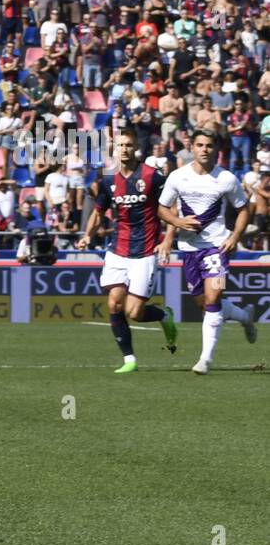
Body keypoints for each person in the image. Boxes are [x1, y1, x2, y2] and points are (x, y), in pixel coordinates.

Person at [76, 127, 178, 373]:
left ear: (136, 149)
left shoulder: (152, 176)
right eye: (120, 145)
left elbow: (171, 210)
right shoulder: (109, 181)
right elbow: (98, 214)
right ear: (114, 149)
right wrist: (86, 236)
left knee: (134, 312)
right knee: (114, 304)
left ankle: (164, 315)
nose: (124, 149)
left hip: (144, 252)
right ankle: (129, 359)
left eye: (128, 145)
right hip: (117, 251)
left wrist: (167, 240)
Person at [158, 130, 257, 374]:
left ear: (216, 149)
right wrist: (177, 224)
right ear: (192, 147)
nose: (204, 149)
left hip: (218, 248)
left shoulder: (227, 178)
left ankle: (206, 360)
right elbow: (162, 209)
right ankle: (244, 316)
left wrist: (235, 236)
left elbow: (244, 209)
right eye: (200, 144)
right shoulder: (178, 177)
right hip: (190, 250)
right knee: (205, 304)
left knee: (213, 298)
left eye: (209, 145)